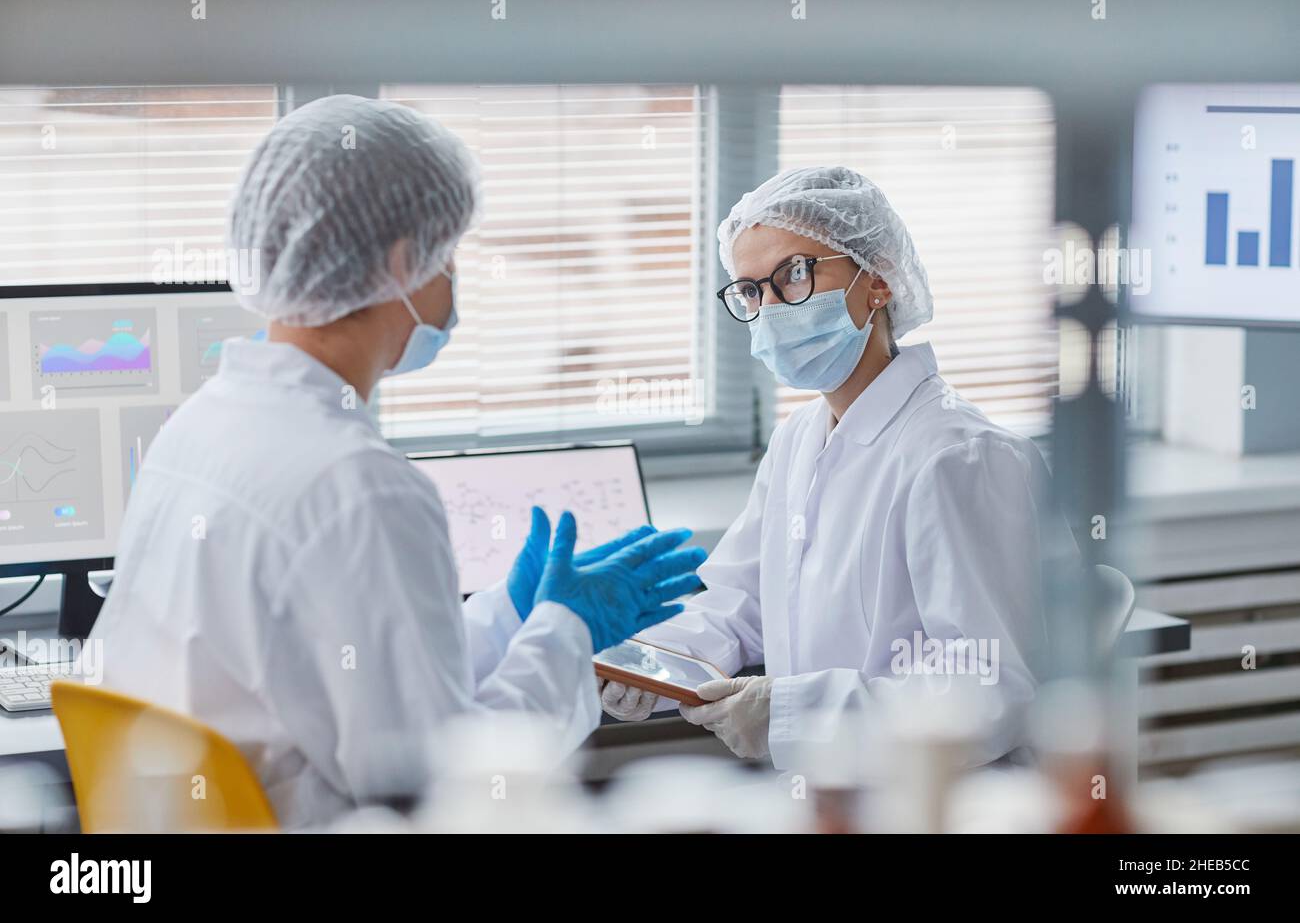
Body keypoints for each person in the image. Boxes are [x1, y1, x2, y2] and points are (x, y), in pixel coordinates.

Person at [89, 95, 705, 827]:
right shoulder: (358, 485)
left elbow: (384, 684)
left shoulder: (202, 424)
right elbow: (438, 779)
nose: (453, 279)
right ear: (402, 259)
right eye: (448, 254)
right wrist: (566, 633)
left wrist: (511, 614)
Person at [599, 166, 1075, 769]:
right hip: (834, 791)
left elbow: (994, 684)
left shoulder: (960, 456)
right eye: (751, 290)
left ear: (878, 281)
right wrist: (645, 658)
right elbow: (741, 601)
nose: (770, 307)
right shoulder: (798, 440)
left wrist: (800, 712)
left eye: (794, 274)